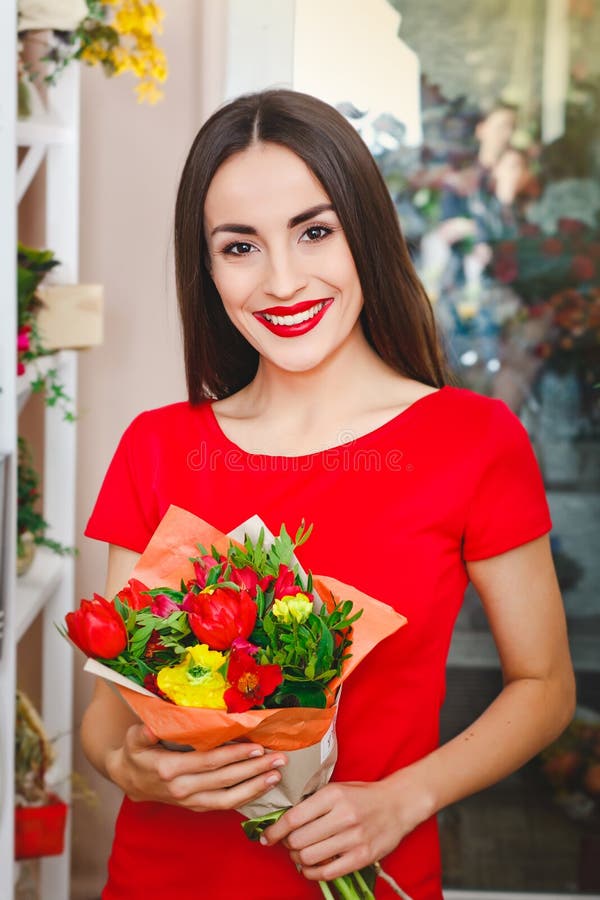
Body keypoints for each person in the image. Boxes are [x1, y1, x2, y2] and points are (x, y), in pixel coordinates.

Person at [81, 89, 575, 900]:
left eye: (314, 232)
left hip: (372, 878)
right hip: (160, 878)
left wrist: (401, 800)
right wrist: (128, 767)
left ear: (364, 237)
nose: (282, 281)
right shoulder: (157, 446)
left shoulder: (472, 441)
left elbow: (546, 687)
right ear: (206, 269)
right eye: (239, 248)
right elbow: (112, 712)